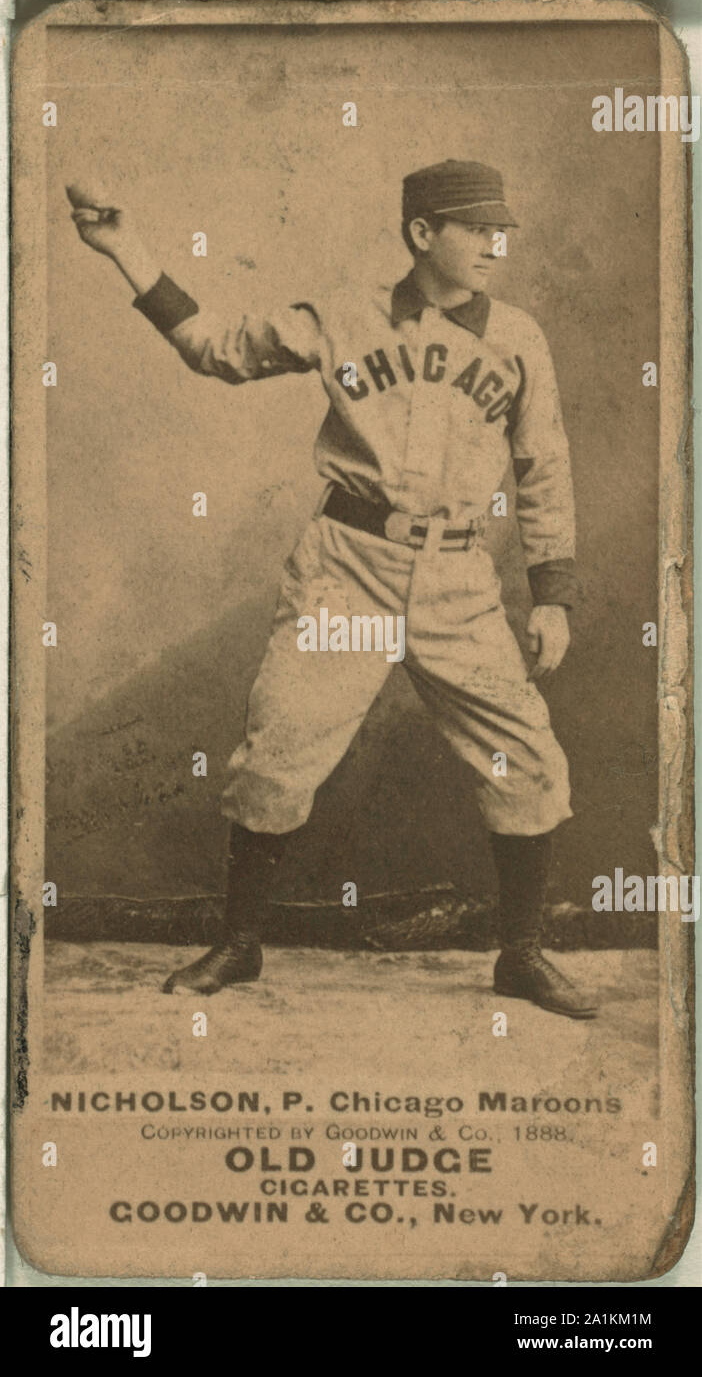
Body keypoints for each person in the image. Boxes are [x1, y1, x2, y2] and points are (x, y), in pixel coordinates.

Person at [67, 158, 596, 1018]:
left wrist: (552, 593)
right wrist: (128, 250)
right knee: (278, 754)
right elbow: (215, 351)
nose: (496, 243)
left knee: (529, 761)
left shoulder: (520, 338)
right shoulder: (340, 317)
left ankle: (522, 955)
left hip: (460, 581)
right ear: (423, 233)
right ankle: (240, 947)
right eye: (476, 227)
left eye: (502, 229)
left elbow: (545, 470)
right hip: (347, 568)